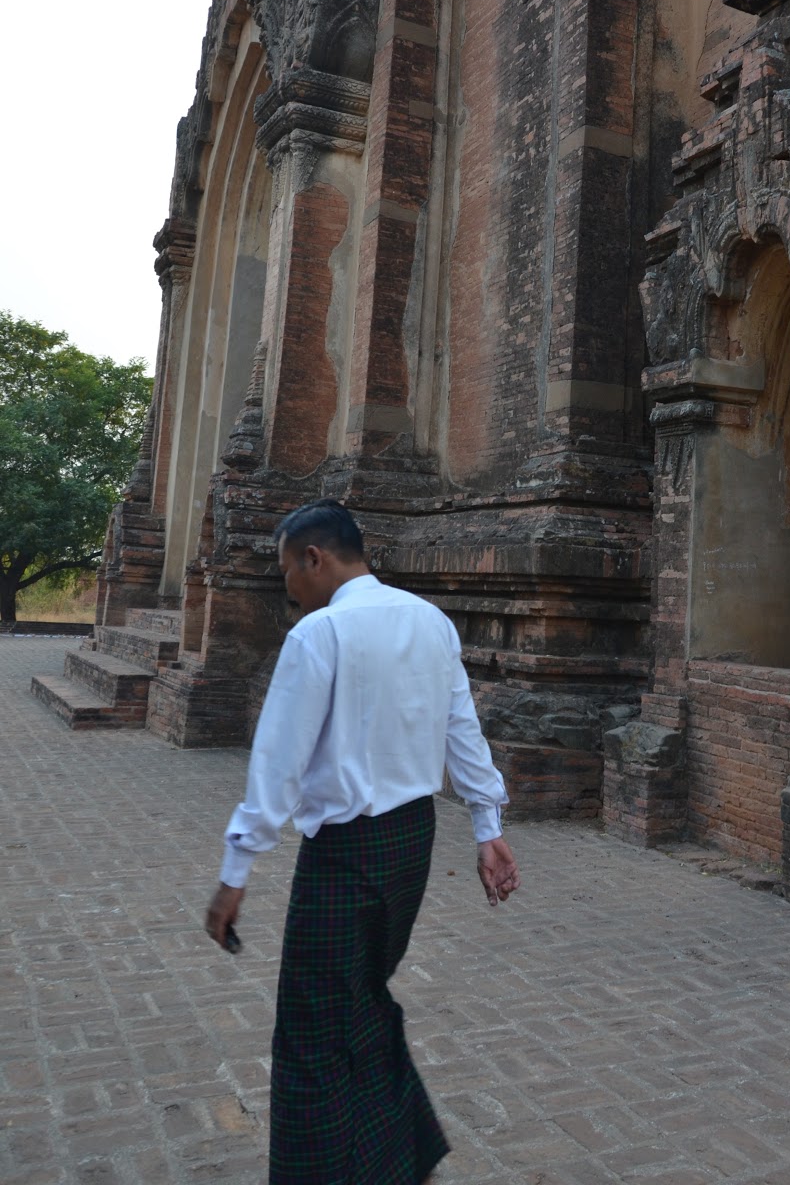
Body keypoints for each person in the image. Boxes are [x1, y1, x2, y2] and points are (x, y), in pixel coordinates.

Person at [204, 498, 519, 1184]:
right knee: (363, 998)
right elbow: (461, 730)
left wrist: (235, 874)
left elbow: (277, 767)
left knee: (313, 1029)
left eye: (287, 569)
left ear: (314, 559)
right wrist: (487, 828)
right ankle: (397, 1155)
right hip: (411, 845)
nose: (286, 585)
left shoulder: (319, 636)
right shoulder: (429, 621)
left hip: (345, 856)